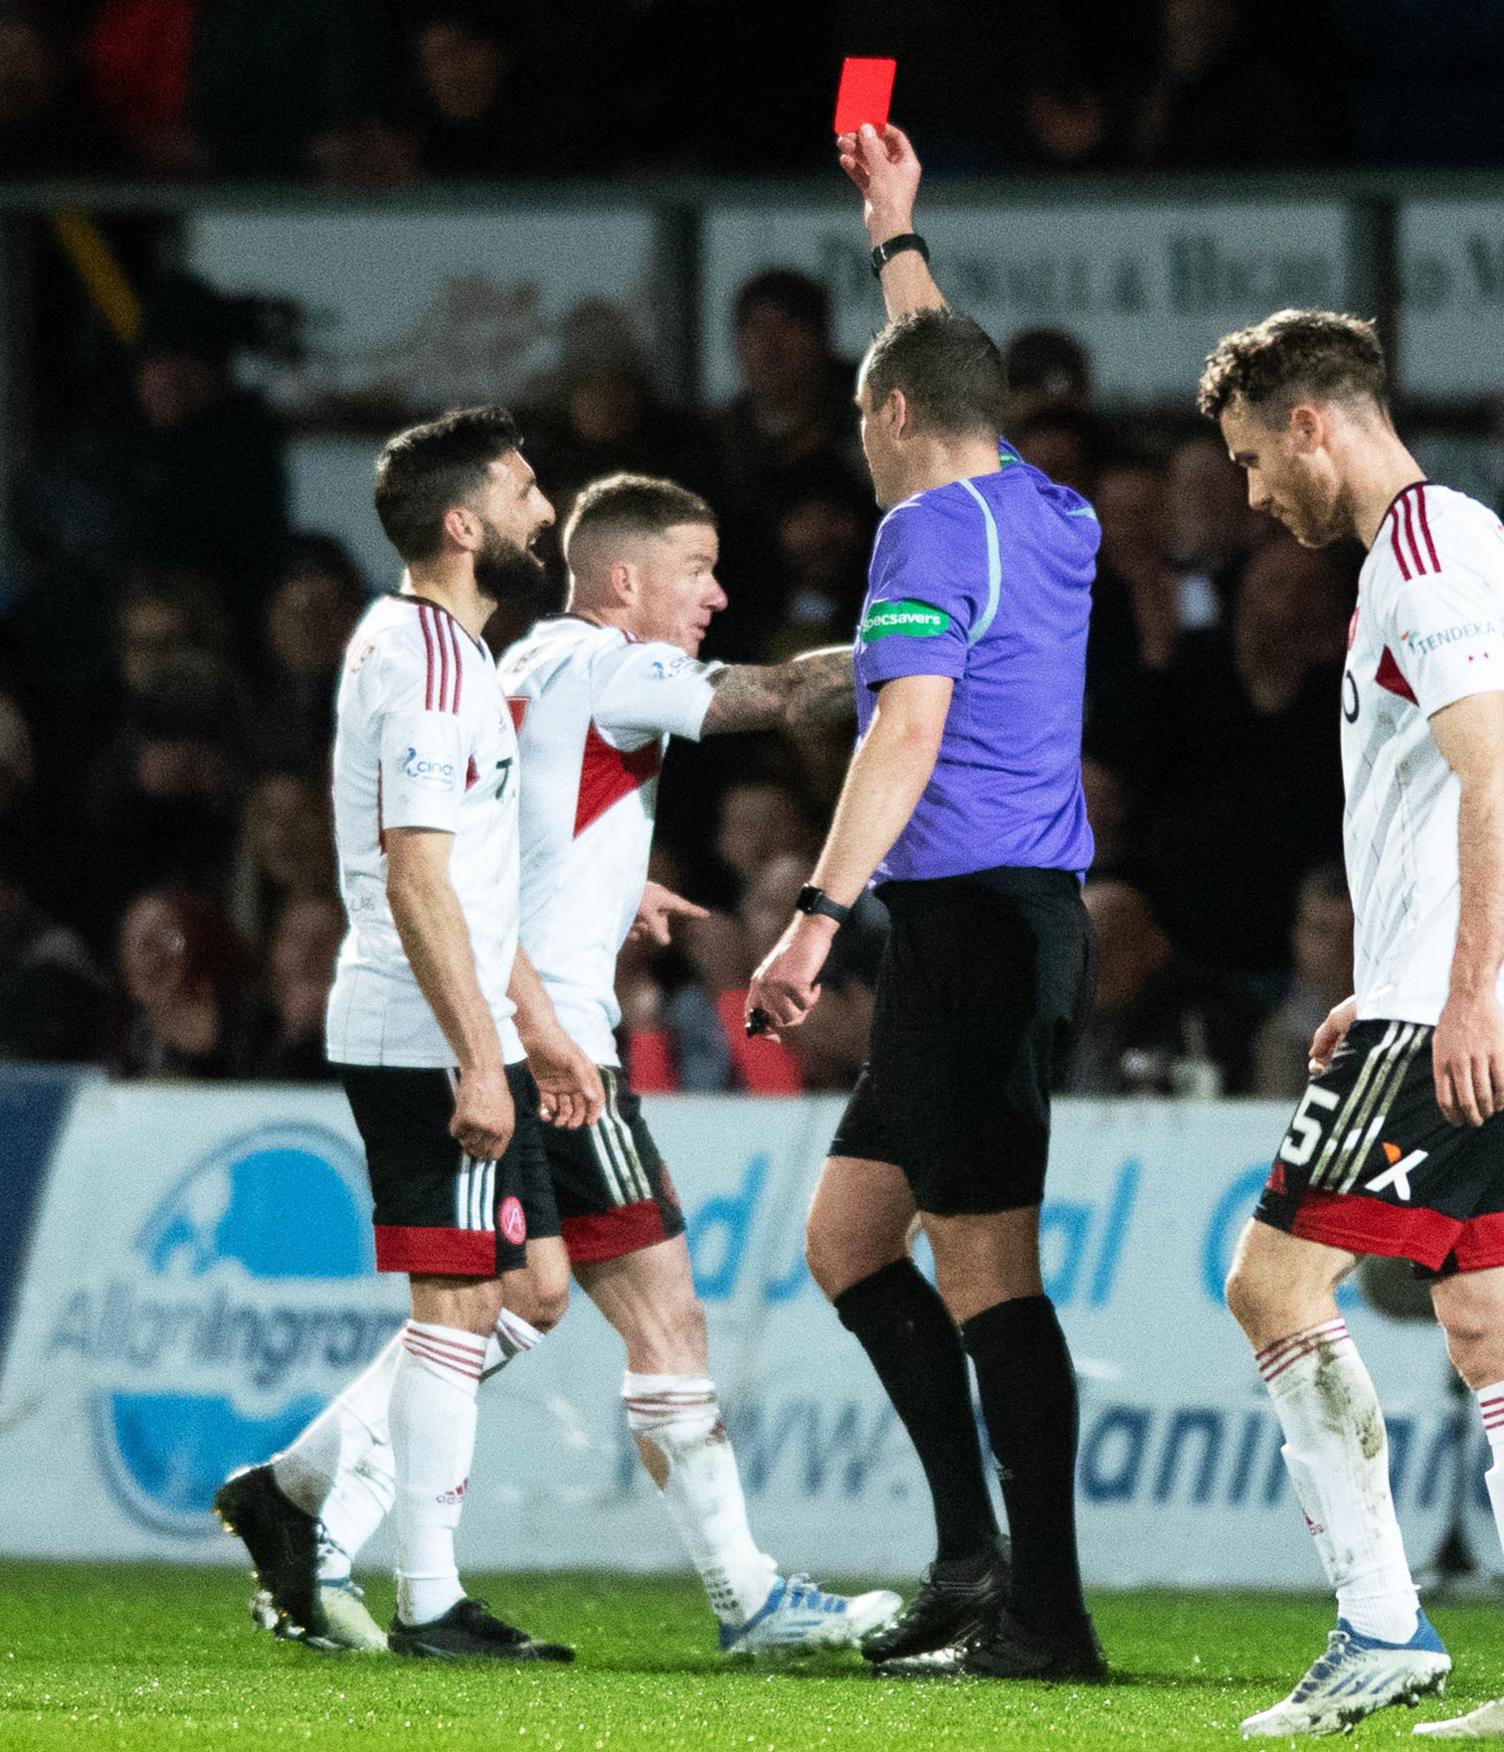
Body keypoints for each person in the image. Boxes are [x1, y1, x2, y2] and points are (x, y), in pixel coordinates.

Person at [221, 469, 898, 1656]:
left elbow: (508, 821)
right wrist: (931, 629)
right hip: (551, 1038)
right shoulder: (605, 662)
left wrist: (605, 883)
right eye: (698, 570)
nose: (717, 594)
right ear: (625, 579)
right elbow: (786, 694)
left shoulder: (522, 663)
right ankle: (738, 1598)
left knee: (539, 1300)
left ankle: (303, 1494)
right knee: (626, 1307)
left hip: (533, 1019)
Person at [748, 122, 1104, 1682]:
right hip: (999, 931)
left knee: (988, 1278)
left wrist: (816, 916)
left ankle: (1050, 1620)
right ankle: (976, 1563)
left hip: (972, 935)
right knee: (849, 1240)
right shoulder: (1052, 511)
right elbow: (952, 371)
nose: (867, 451)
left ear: (892, 417)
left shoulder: (921, 528)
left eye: (868, 424)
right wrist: (898, 229)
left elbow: (904, 728)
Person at [216, 404, 605, 1663]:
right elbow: (418, 880)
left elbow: (472, 881)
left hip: (459, 1020)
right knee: (456, 1304)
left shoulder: (441, 653)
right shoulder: (434, 665)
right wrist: (482, 1059)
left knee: (533, 1292)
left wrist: (538, 1029)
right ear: (463, 523)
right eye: (526, 490)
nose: (543, 512)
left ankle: (290, 1491)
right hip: (418, 1031)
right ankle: (430, 1601)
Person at [1199, 310, 1504, 1736]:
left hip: (1459, 1004)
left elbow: (1492, 775)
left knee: (1272, 1289)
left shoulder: (1428, 555)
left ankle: (1379, 1625)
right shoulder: (1436, 547)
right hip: (1434, 988)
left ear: (1311, 422)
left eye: (1257, 459)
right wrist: (1383, 980)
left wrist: (1451, 994)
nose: (1255, 493)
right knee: (1489, 1321)